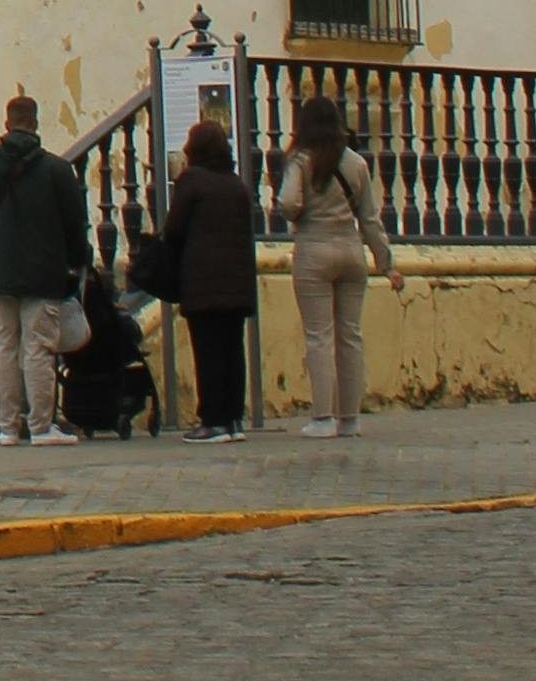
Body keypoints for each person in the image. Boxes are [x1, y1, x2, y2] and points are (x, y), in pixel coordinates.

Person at [0, 89, 88, 446]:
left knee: (3, 345)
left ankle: (7, 427)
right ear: (35, 124)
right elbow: (74, 223)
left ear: (7, 123)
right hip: (43, 269)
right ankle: (40, 425)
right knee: (38, 347)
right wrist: (76, 264)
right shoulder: (57, 170)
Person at [279, 87, 394, 435]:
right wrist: (386, 263)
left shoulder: (301, 160)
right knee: (350, 336)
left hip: (314, 249)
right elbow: (371, 219)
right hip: (351, 250)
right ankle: (350, 418)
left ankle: (322, 417)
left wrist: (300, 211)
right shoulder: (356, 163)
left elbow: (287, 203)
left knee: (319, 337)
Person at [148, 96, 258, 438]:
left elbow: (175, 229)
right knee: (232, 350)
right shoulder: (237, 185)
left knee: (208, 352)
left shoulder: (192, 181)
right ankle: (234, 418)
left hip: (203, 283)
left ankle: (212, 419)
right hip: (237, 282)